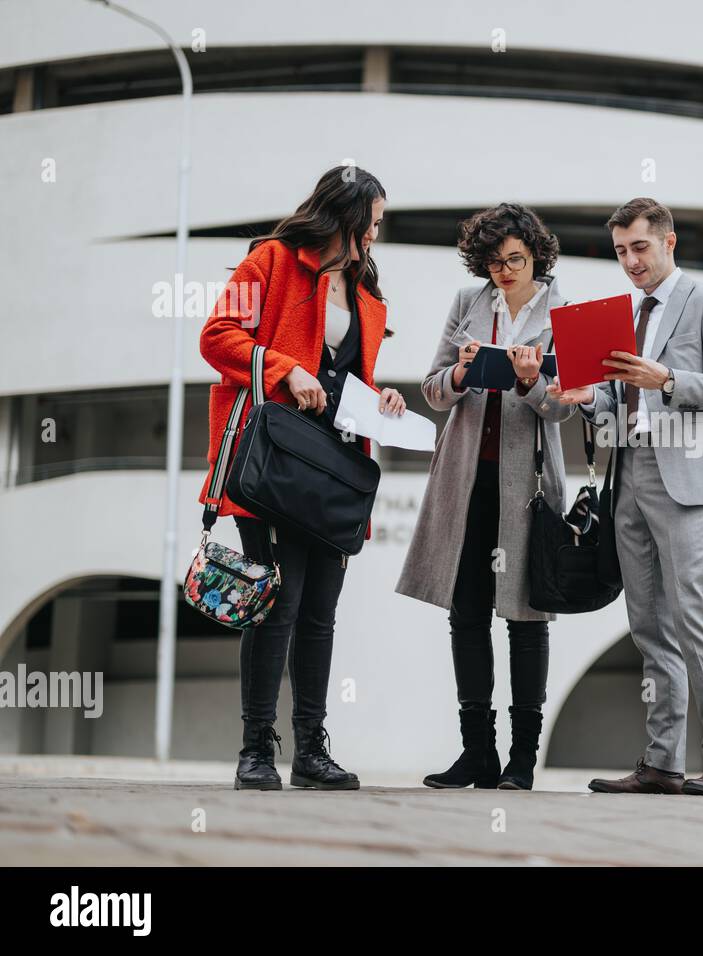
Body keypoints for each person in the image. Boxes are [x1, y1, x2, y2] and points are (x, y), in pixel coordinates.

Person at [198, 165, 406, 791]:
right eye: (371, 220)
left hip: (334, 471)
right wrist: (285, 369)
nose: (376, 232)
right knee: (276, 606)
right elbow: (215, 336)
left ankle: (311, 752)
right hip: (273, 466)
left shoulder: (368, 295)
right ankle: (256, 749)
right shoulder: (270, 261)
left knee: (320, 613)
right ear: (345, 214)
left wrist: (382, 400)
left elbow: (348, 381)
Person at [550, 197, 703, 796]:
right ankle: (662, 762)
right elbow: (622, 403)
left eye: (639, 247)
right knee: (648, 625)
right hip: (630, 475)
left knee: (694, 616)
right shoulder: (627, 316)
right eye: (620, 252)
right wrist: (587, 398)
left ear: (670, 242)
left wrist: (664, 378)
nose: (630, 261)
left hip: (690, 478)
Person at [395, 203, 573, 791]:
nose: (504, 271)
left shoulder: (564, 310)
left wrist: (530, 383)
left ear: (536, 256)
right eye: (494, 262)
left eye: (515, 260)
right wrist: (462, 375)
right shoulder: (467, 305)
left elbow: (568, 404)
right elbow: (432, 392)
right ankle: (478, 753)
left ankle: (523, 760)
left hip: (529, 481)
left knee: (526, 614)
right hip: (466, 478)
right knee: (466, 611)